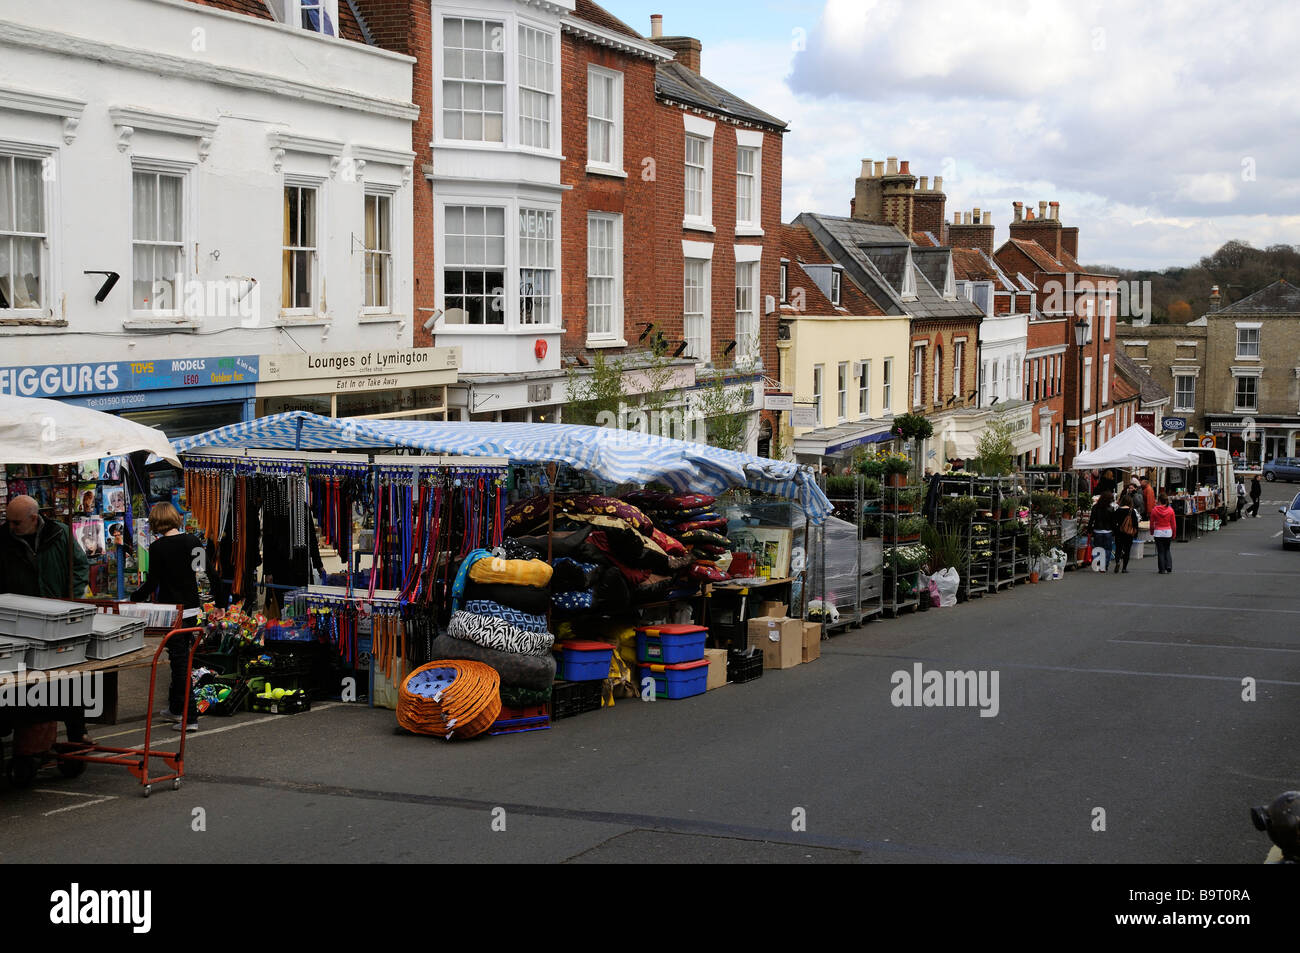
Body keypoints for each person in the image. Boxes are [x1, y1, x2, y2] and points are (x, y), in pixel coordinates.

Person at [0, 495, 93, 744]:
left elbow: (80, 566)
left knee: (67, 674)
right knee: (21, 675)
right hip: (18, 620)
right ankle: (18, 728)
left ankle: (77, 731)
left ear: (33, 518)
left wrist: (70, 599)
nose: (11, 527)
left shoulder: (59, 533)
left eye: (16, 523)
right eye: (8, 521)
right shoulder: (4, 539)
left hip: (58, 615)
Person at [131, 502, 203, 732]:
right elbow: (200, 570)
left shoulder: (157, 548)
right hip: (192, 609)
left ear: (156, 522)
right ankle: (174, 708)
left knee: (181, 664)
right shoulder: (193, 540)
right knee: (180, 659)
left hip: (171, 612)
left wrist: (135, 597)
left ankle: (190, 717)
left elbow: (153, 582)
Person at [1112, 489, 1139, 574]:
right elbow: (1135, 523)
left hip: (1119, 533)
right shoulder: (1132, 511)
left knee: (1118, 549)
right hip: (1129, 533)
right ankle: (1124, 568)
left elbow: (1113, 522)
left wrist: (1115, 531)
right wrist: (1135, 533)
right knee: (1127, 550)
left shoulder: (1117, 511)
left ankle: (1117, 562)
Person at [1089, 491, 1116, 569]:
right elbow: (1113, 522)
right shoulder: (1111, 509)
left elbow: (1091, 520)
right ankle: (1105, 565)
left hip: (1097, 530)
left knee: (1097, 547)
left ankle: (1097, 564)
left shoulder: (1095, 507)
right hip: (1108, 531)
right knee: (1107, 549)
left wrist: (1089, 530)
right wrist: (1114, 531)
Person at [1150, 493, 1176, 573]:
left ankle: (1161, 569)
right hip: (1168, 532)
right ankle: (1169, 566)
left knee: (1160, 551)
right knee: (1167, 549)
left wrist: (1152, 531)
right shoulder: (1171, 510)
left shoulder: (1154, 510)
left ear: (1159, 501)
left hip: (1158, 532)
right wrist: (1174, 533)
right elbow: (1173, 524)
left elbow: (1152, 523)